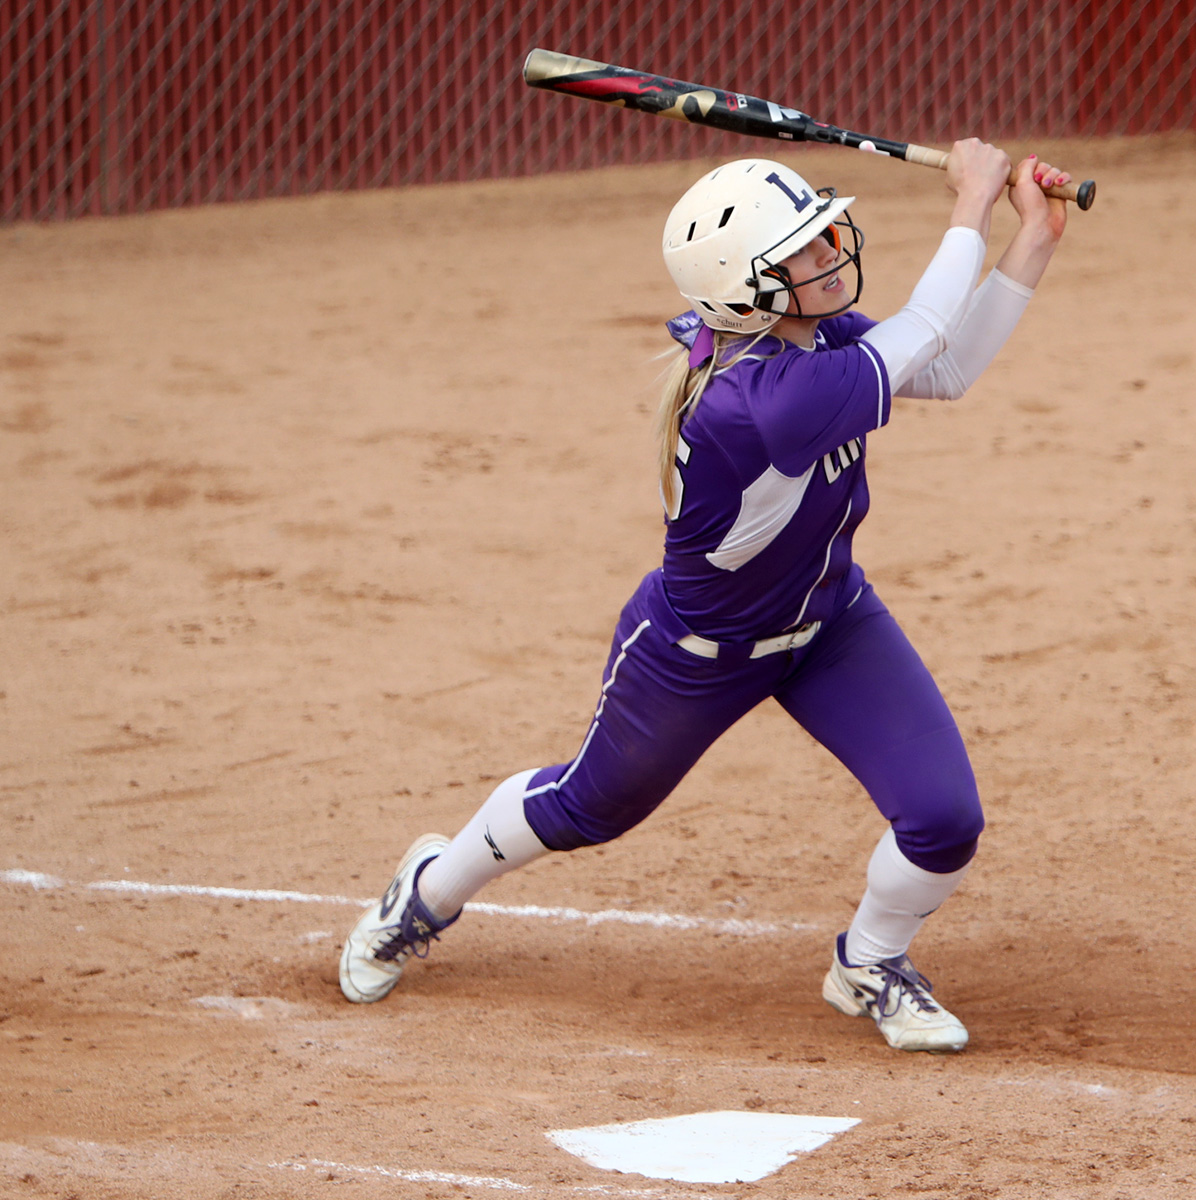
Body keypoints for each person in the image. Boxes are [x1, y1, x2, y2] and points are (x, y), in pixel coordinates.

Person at [339, 140, 1071, 1053]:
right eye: (798, 254)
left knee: (944, 819)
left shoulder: (814, 343)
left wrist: (1031, 238)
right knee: (585, 810)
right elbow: (924, 326)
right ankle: (429, 890)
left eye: (818, 238)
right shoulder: (762, 399)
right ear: (746, 291)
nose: (827, 255)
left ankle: (869, 962)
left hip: (829, 627)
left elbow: (946, 367)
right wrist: (969, 205)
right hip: (695, 657)